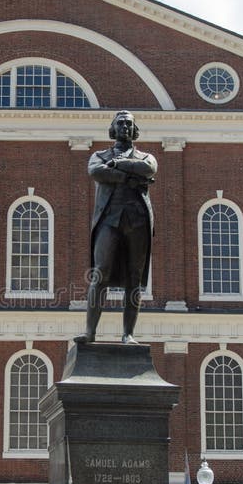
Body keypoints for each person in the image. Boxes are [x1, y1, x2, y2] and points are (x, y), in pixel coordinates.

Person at [76, 111, 157, 344]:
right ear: (113, 129)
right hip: (109, 220)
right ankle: (90, 332)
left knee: (134, 277)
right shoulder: (99, 156)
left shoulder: (146, 157)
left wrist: (118, 164)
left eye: (129, 124)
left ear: (134, 129)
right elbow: (96, 171)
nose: (125, 127)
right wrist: (129, 178)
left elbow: (149, 169)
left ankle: (128, 334)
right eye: (120, 123)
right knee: (100, 273)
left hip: (138, 220)